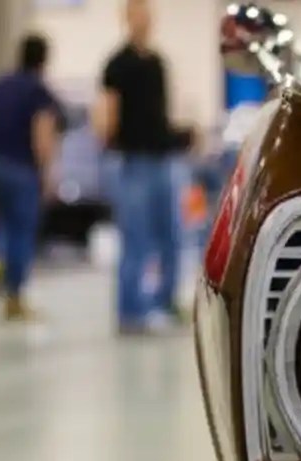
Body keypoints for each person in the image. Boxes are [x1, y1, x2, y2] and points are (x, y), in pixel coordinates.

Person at [94, 0, 194, 335]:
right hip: (133, 161)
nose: (143, 21)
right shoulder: (116, 64)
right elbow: (107, 112)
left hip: (164, 160)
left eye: (146, 15)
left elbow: (165, 111)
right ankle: (132, 311)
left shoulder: (157, 63)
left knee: (172, 237)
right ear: (126, 19)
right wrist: (108, 143)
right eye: (136, 15)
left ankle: (166, 301)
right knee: (136, 239)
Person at [0, 34, 61, 322]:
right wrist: (46, 173)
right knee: (22, 232)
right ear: (44, 59)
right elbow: (42, 136)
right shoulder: (39, 92)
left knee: (4, 224)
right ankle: (14, 299)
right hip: (22, 168)